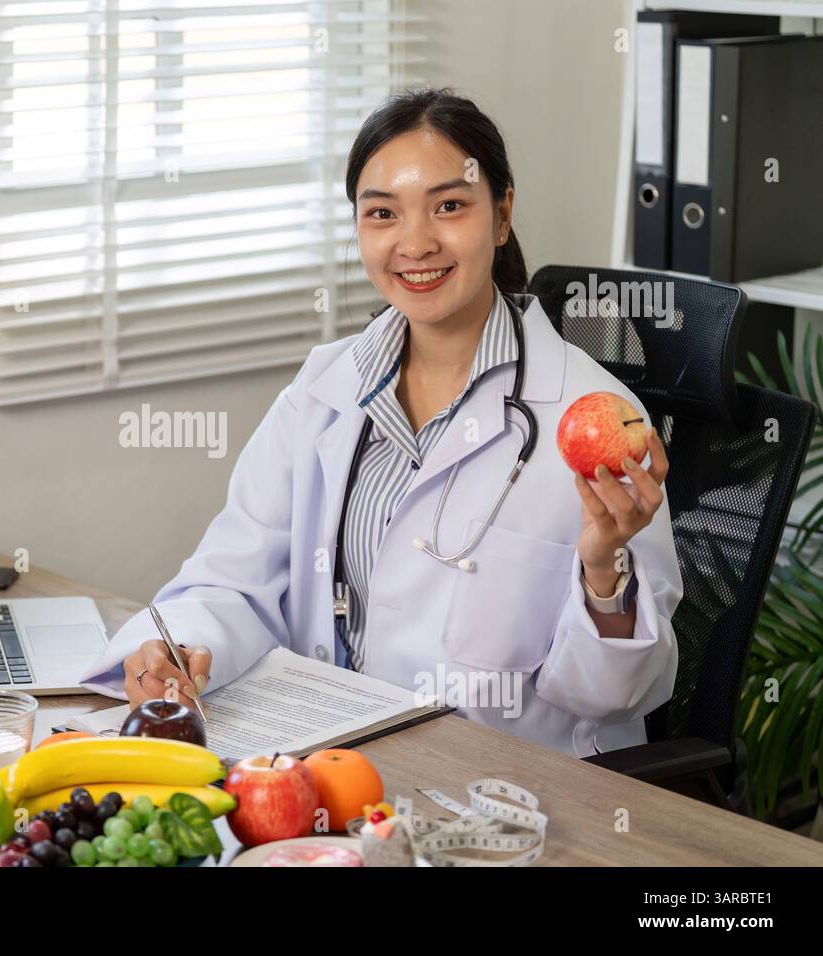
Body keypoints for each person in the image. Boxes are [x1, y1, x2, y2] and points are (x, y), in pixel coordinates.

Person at [78, 87, 681, 758]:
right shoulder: (325, 388)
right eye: (382, 214)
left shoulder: (589, 417)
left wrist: (604, 571)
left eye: (449, 206)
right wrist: (175, 648)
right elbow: (236, 579)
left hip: (505, 793)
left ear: (502, 214)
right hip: (333, 762)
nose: (415, 243)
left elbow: (613, 698)